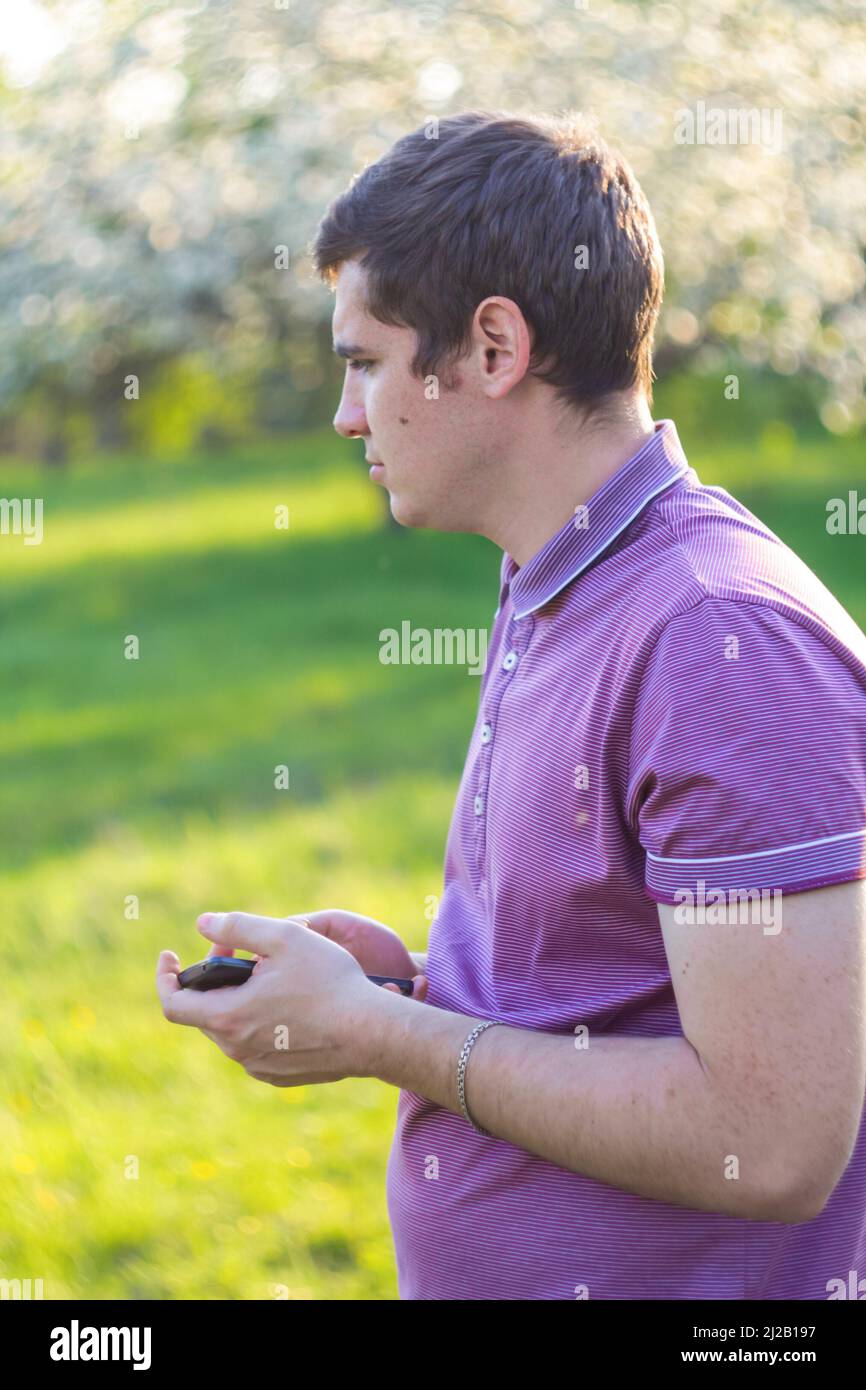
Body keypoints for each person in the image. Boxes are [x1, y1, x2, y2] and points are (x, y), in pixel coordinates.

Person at [158, 111, 866, 1301]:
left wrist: (382, 1037)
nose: (346, 415)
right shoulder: (562, 573)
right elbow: (637, 981)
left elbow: (774, 1138)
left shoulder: (715, 638)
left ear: (491, 347)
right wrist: (420, 987)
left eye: (364, 361)